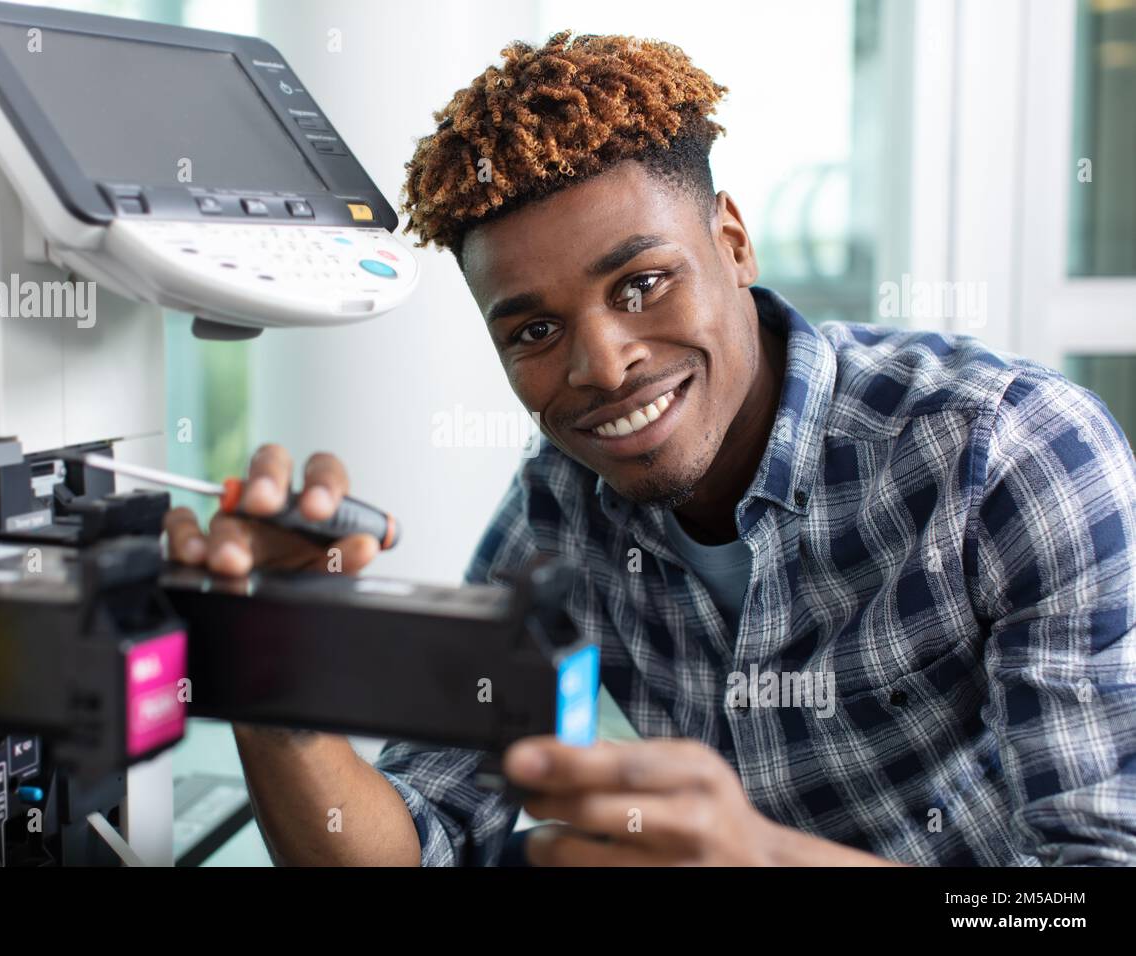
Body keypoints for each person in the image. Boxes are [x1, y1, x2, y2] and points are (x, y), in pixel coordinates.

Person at [164, 32, 1136, 866]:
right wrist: (267, 660)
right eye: (533, 332)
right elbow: (428, 834)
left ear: (734, 241)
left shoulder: (1008, 453)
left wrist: (761, 856)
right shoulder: (563, 507)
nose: (602, 363)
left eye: (640, 283)